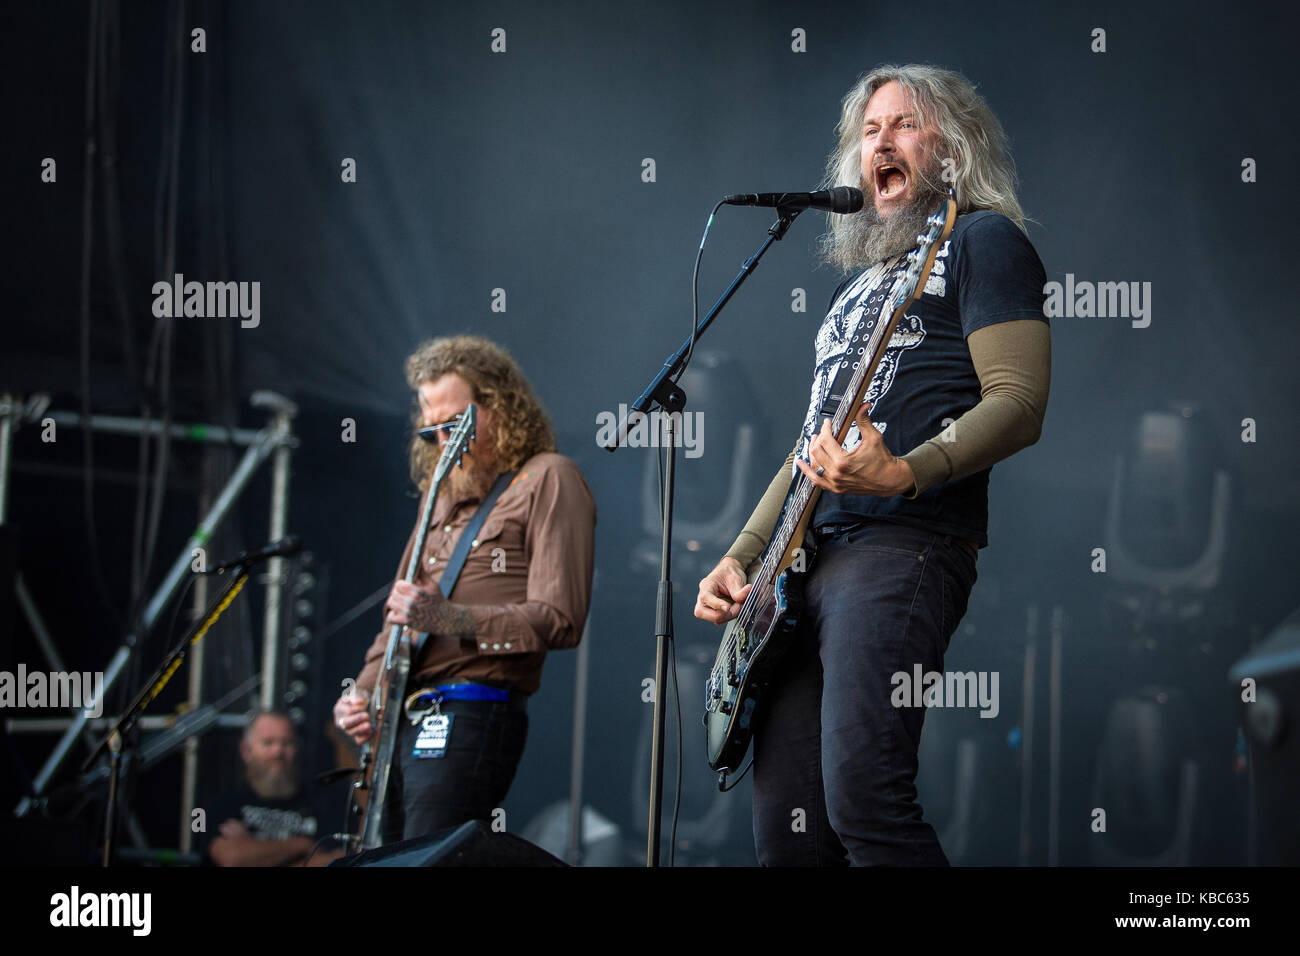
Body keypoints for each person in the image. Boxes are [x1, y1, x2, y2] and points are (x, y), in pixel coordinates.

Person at [694, 64, 1051, 866]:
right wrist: (740, 555)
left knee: (867, 802)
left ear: (953, 150)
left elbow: (1020, 401)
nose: (878, 143)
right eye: (867, 131)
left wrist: (906, 470)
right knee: (788, 837)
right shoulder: (856, 290)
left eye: (903, 125)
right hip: (797, 564)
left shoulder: (984, 242)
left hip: (903, 546)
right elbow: (808, 449)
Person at [334, 335, 595, 844]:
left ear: (500, 406)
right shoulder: (441, 498)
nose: (442, 443)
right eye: (430, 432)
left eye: (454, 425)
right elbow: (399, 617)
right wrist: (362, 695)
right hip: (400, 721)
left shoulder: (549, 478)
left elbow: (561, 620)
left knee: (425, 858)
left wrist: (450, 619)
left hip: (471, 710)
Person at [203, 709, 345, 866]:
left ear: (298, 748)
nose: (278, 752)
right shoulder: (227, 802)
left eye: (287, 743)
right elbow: (231, 858)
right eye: (268, 743)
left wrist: (253, 850)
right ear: (246, 751)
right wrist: (302, 845)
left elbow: (337, 860)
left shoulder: (325, 803)